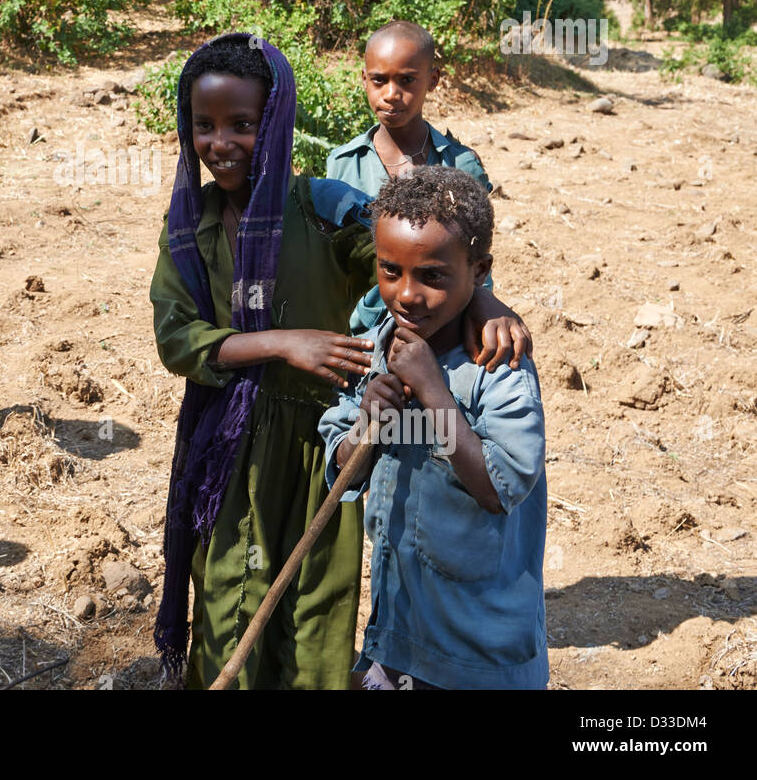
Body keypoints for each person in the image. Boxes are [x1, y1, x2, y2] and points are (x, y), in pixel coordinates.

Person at [149, 35, 531, 690]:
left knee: (314, 607)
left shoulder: (322, 206)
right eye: (203, 125)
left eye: (243, 124)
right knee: (228, 598)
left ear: (273, 124)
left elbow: (410, 253)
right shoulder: (189, 227)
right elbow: (177, 337)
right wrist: (282, 341)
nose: (222, 143)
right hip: (230, 446)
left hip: (328, 438)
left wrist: (486, 296)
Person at [319, 167, 547, 690]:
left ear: (479, 271)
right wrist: (364, 427)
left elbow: (498, 487)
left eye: (433, 277)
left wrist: (434, 393)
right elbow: (342, 468)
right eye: (389, 271)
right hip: (398, 632)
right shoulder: (381, 344)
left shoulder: (498, 367)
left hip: (477, 655)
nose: (407, 295)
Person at [327, 20, 493, 333]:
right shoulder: (342, 165)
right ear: (364, 80)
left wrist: (482, 312)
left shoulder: (460, 164)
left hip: (441, 330)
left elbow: (475, 255)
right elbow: (331, 263)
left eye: (407, 80)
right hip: (361, 333)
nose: (391, 94)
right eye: (379, 80)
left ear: (432, 81)